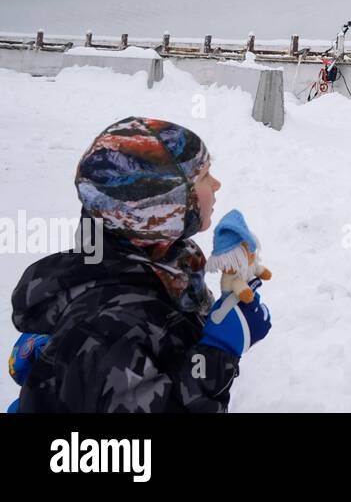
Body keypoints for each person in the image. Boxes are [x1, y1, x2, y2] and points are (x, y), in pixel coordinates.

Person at [8, 117, 271, 412]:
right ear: (161, 206)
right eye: (204, 176)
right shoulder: (107, 331)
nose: (217, 184)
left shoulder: (159, 261)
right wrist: (218, 353)